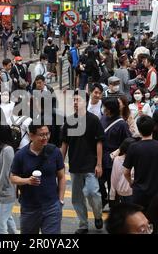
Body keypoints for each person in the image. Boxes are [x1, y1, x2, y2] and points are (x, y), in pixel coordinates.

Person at [10, 124, 66, 234]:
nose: (45, 137)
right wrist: (27, 181)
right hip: (29, 208)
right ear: (31, 136)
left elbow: (62, 177)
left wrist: (60, 200)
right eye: (41, 135)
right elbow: (12, 178)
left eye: (47, 134)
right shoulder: (21, 155)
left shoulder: (54, 152)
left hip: (52, 206)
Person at [61, 93, 104, 234]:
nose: (74, 102)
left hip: (90, 164)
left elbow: (99, 142)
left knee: (93, 192)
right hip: (74, 164)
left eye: (77, 99)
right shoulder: (69, 121)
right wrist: (60, 164)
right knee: (76, 197)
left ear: (85, 102)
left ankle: (98, 216)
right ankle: (83, 224)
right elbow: (65, 144)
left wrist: (99, 164)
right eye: (73, 100)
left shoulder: (93, 120)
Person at [123, 116, 158, 210]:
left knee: (140, 220)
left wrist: (131, 182)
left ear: (138, 128)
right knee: (157, 219)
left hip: (139, 192)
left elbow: (126, 172)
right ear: (153, 128)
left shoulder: (133, 147)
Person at [100, 97, 132, 208]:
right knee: (99, 183)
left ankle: (113, 209)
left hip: (113, 159)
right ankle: (103, 199)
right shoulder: (103, 118)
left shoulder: (122, 124)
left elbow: (128, 141)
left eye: (105, 107)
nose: (103, 109)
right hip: (100, 157)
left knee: (112, 186)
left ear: (110, 109)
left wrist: (118, 151)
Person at [110, 138, 137, 204]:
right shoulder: (137, 159)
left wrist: (112, 195)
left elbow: (114, 177)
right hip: (132, 191)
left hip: (121, 191)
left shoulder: (117, 159)